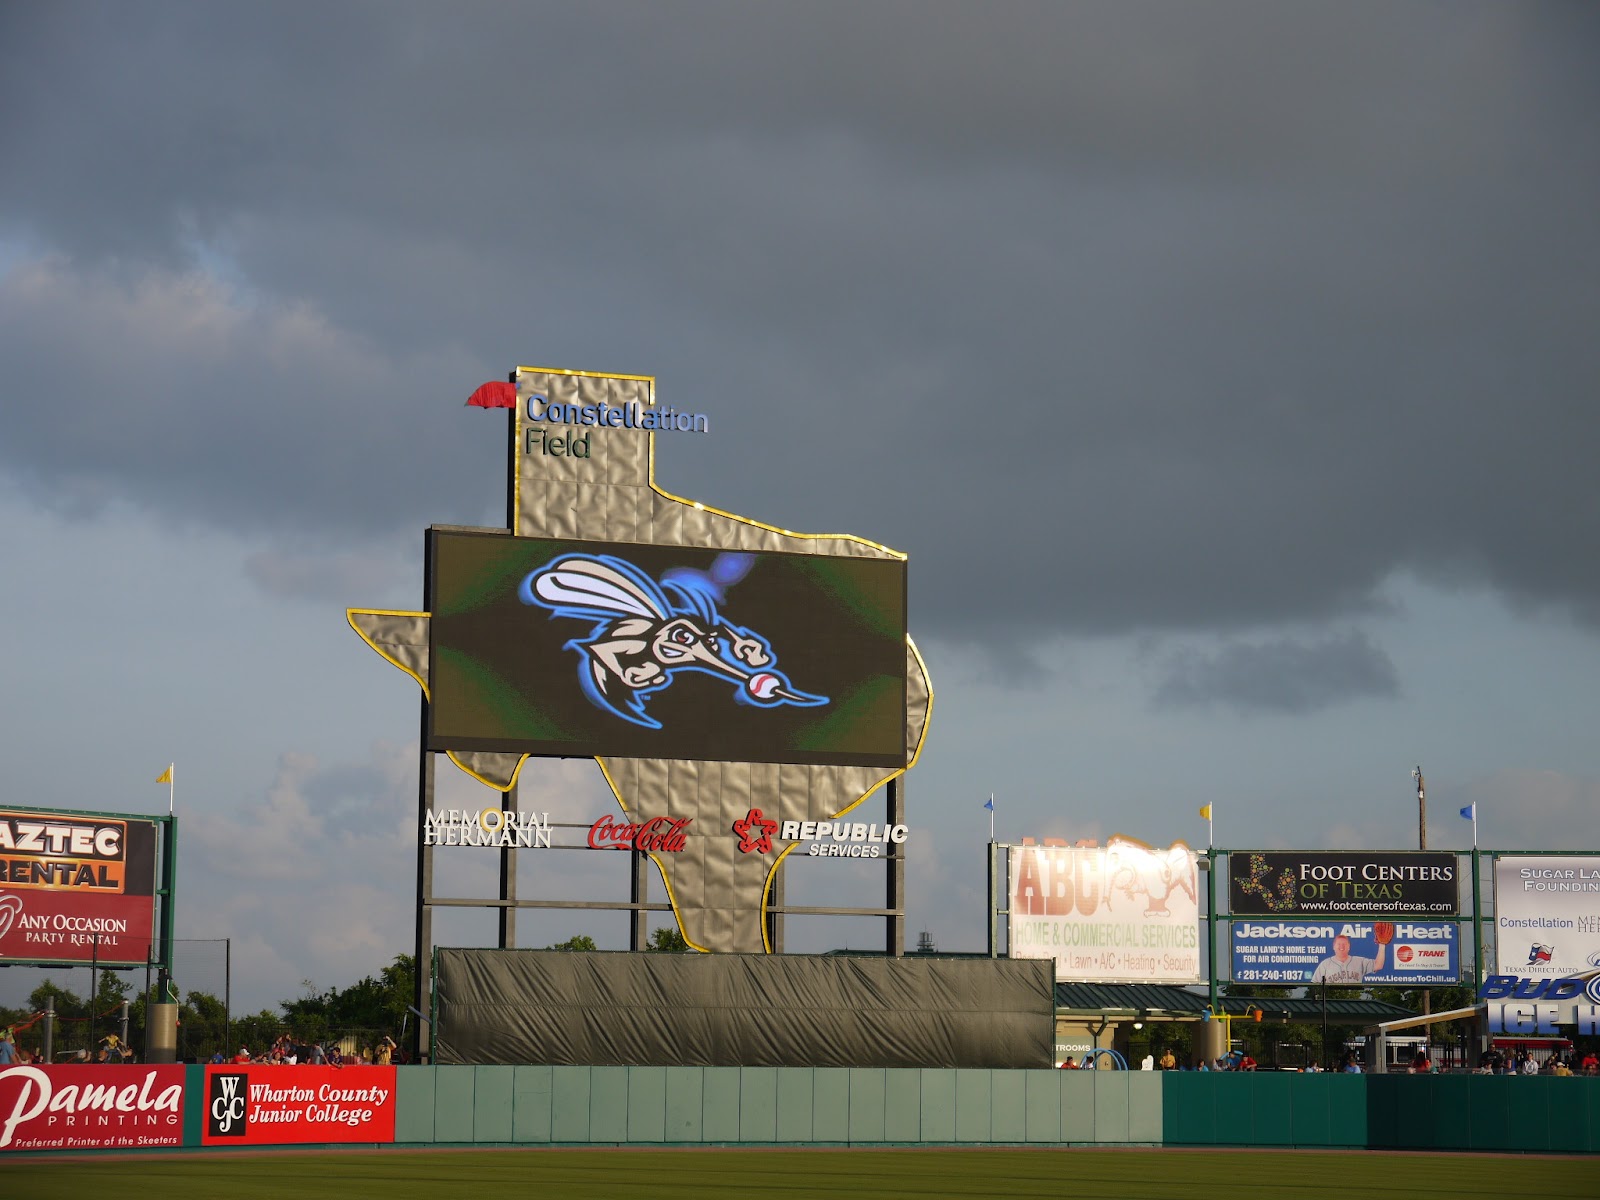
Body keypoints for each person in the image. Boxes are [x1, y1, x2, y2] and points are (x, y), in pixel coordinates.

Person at [1311, 934, 1386, 985]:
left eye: (1344, 944)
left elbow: (1378, 965)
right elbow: (1314, 984)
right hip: (1332, 999)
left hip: (1354, 999)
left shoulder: (1359, 961)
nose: (1341, 946)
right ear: (1333, 947)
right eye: (1339, 944)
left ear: (1349, 947)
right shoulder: (1325, 964)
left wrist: (1382, 944)